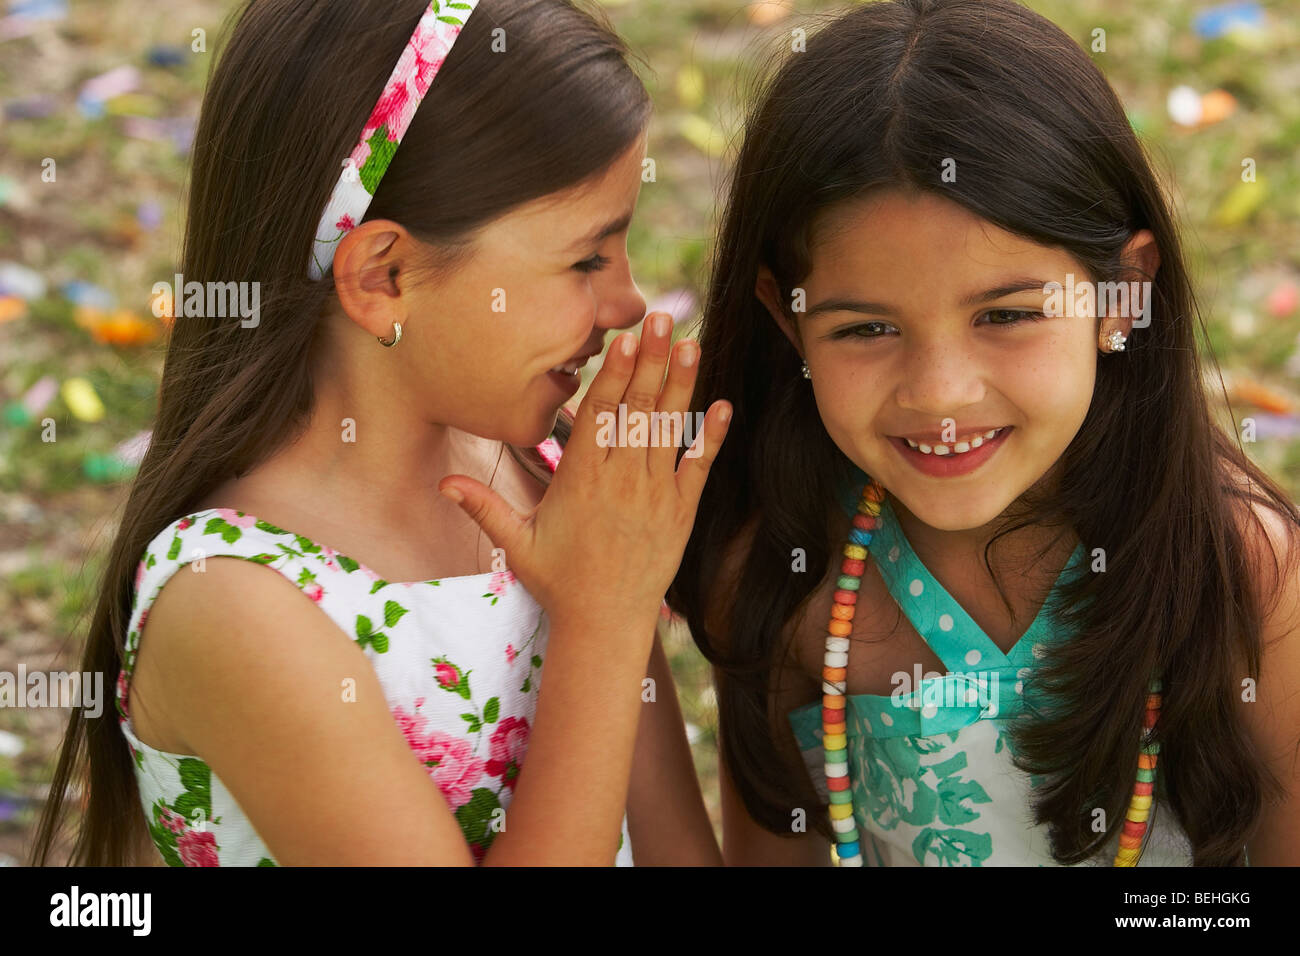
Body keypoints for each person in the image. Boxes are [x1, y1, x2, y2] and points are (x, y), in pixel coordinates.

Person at [31, 0, 729, 866]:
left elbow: (675, 850)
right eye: (587, 258)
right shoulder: (238, 604)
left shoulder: (540, 470)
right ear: (384, 276)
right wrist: (604, 614)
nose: (629, 304)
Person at [668, 0, 1300, 866]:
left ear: (1124, 293)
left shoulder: (1244, 574)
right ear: (789, 321)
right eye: (866, 329)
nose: (941, 393)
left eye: (1005, 314)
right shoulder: (783, 580)